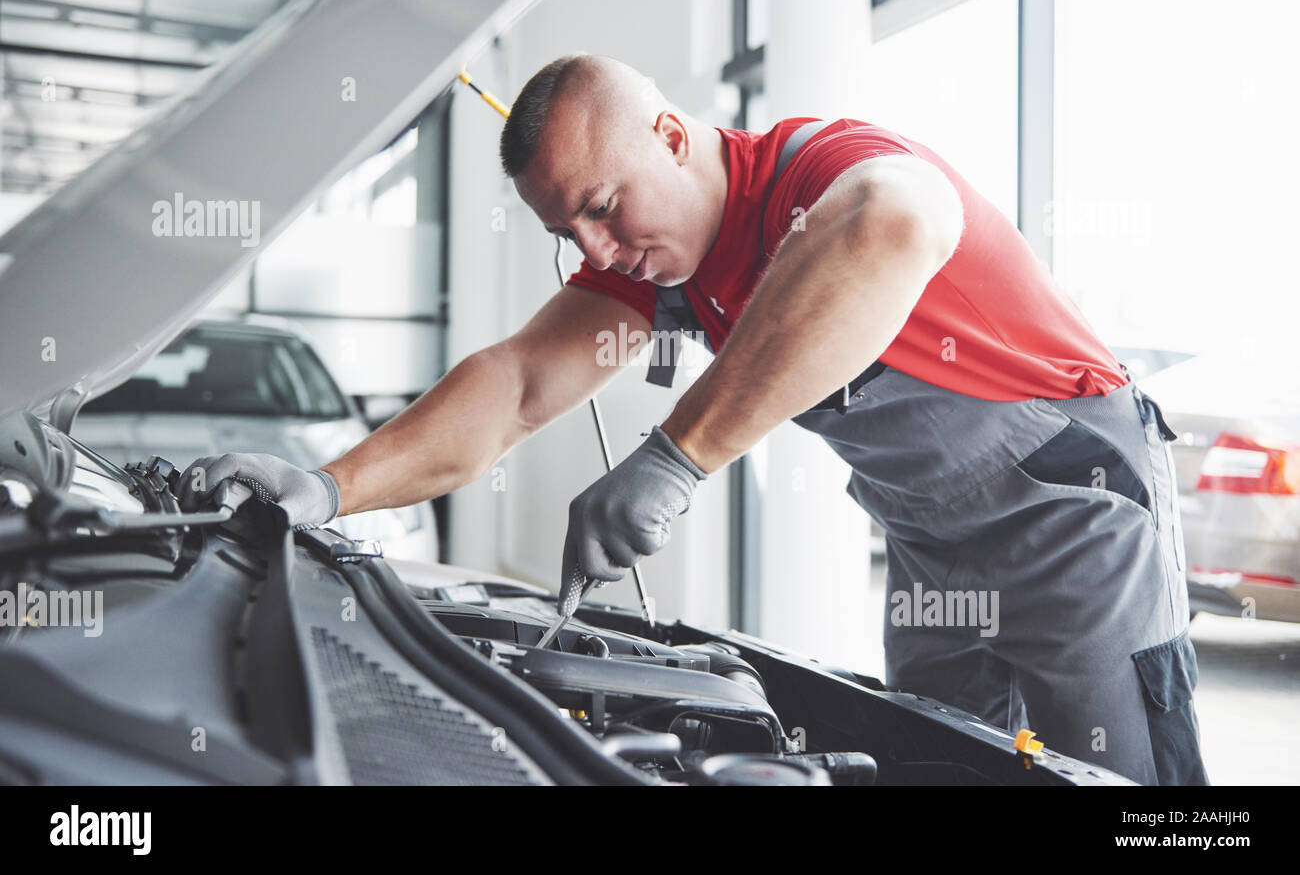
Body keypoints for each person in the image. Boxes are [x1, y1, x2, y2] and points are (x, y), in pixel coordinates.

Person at [180, 54, 1208, 785]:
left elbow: (894, 224)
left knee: (1120, 788)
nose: (597, 244)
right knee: (934, 766)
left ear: (671, 137)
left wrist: (676, 457)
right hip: (933, 545)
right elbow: (522, 383)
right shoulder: (670, 271)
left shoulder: (818, 169)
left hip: (1073, 510)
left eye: (602, 204)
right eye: (567, 228)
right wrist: (328, 488)